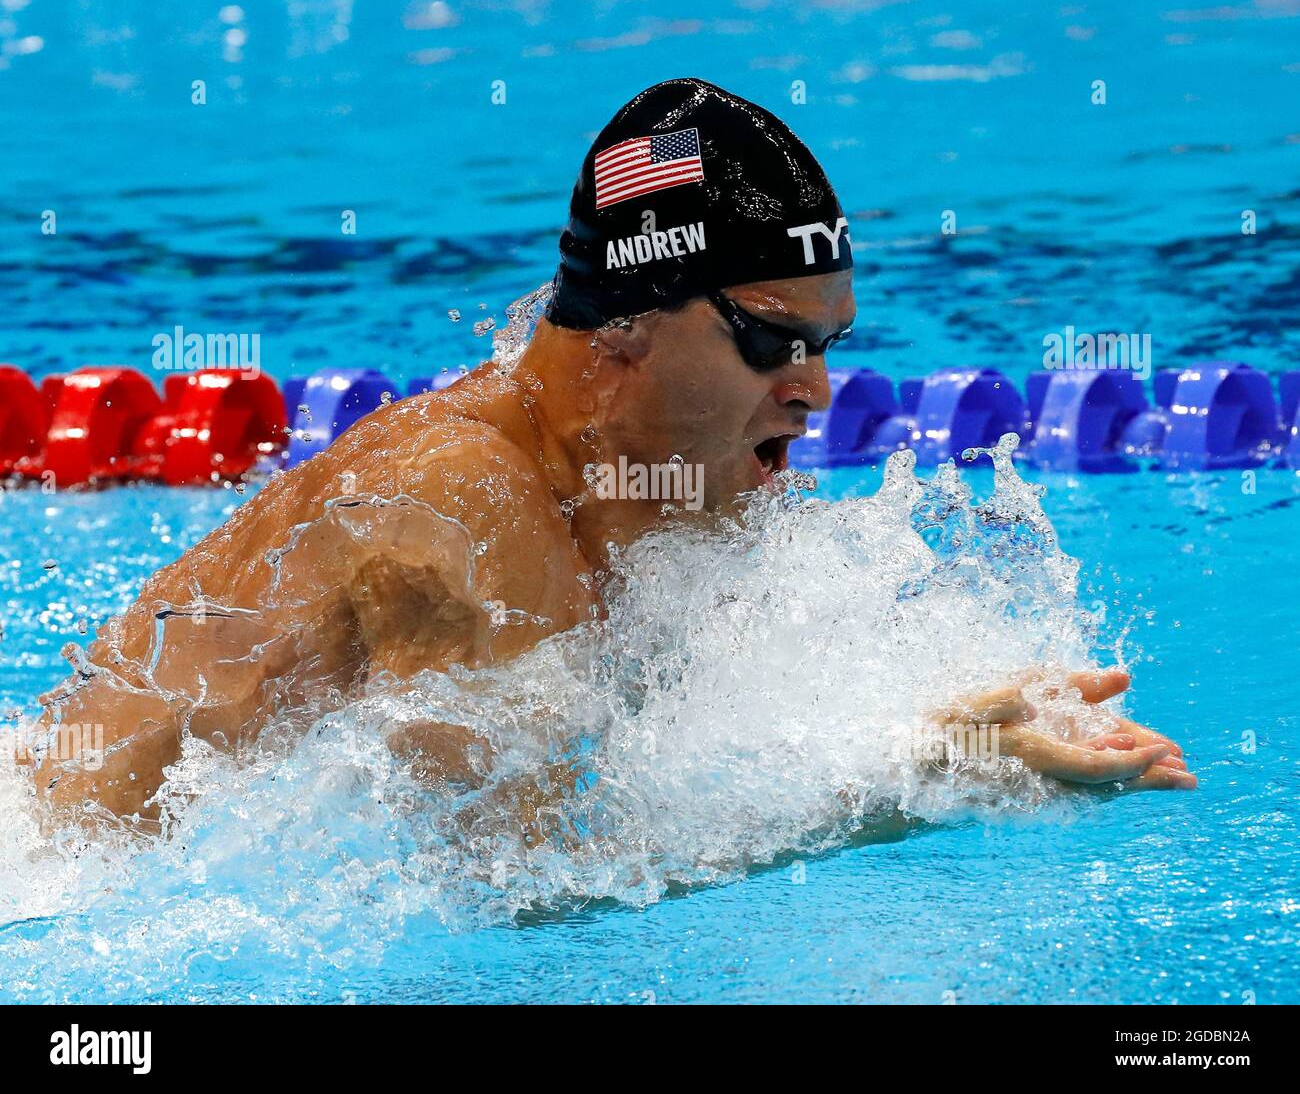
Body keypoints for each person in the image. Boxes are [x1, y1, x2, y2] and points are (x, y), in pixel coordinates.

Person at [21, 78, 1194, 827]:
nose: (817, 391)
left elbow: (706, 737)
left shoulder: (668, 472)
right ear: (626, 325)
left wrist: (954, 714)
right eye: (772, 339)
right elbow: (512, 889)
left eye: (830, 343)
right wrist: (914, 774)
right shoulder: (458, 507)